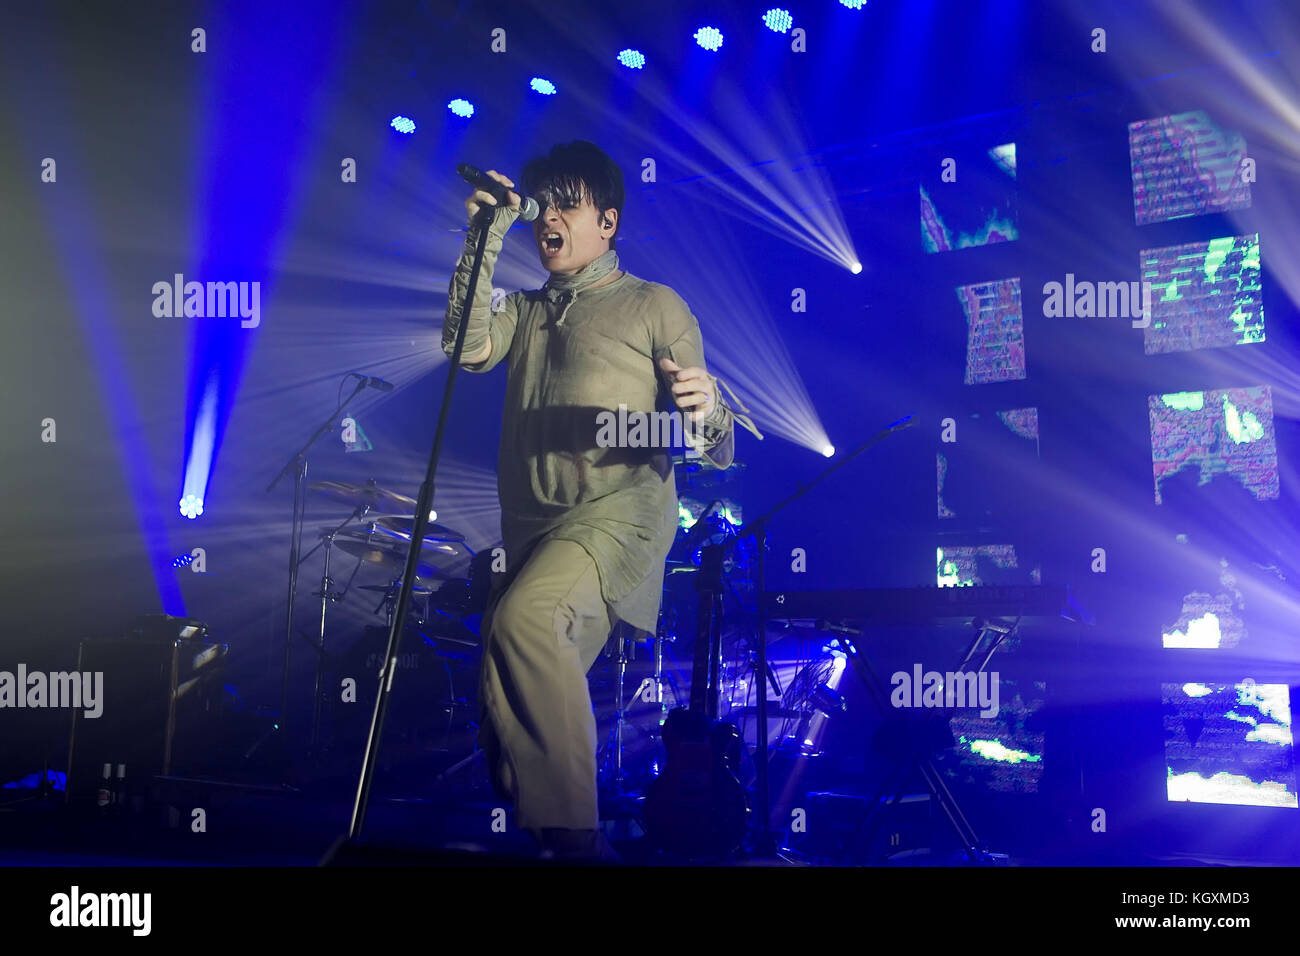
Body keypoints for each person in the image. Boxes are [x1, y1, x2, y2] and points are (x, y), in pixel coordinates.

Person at [442, 141, 753, 860]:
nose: (548, 216)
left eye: (567, 204)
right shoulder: (523, 313)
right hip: (535, 527)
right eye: (543, 203)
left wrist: (706, 409)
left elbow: (717, 443)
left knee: (527, 621)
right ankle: (562, 842)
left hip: (620, 515)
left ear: (607, 222)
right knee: (505, 711)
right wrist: (483, 232)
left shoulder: (653, 304)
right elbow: (465, 346)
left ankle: (580, 847)